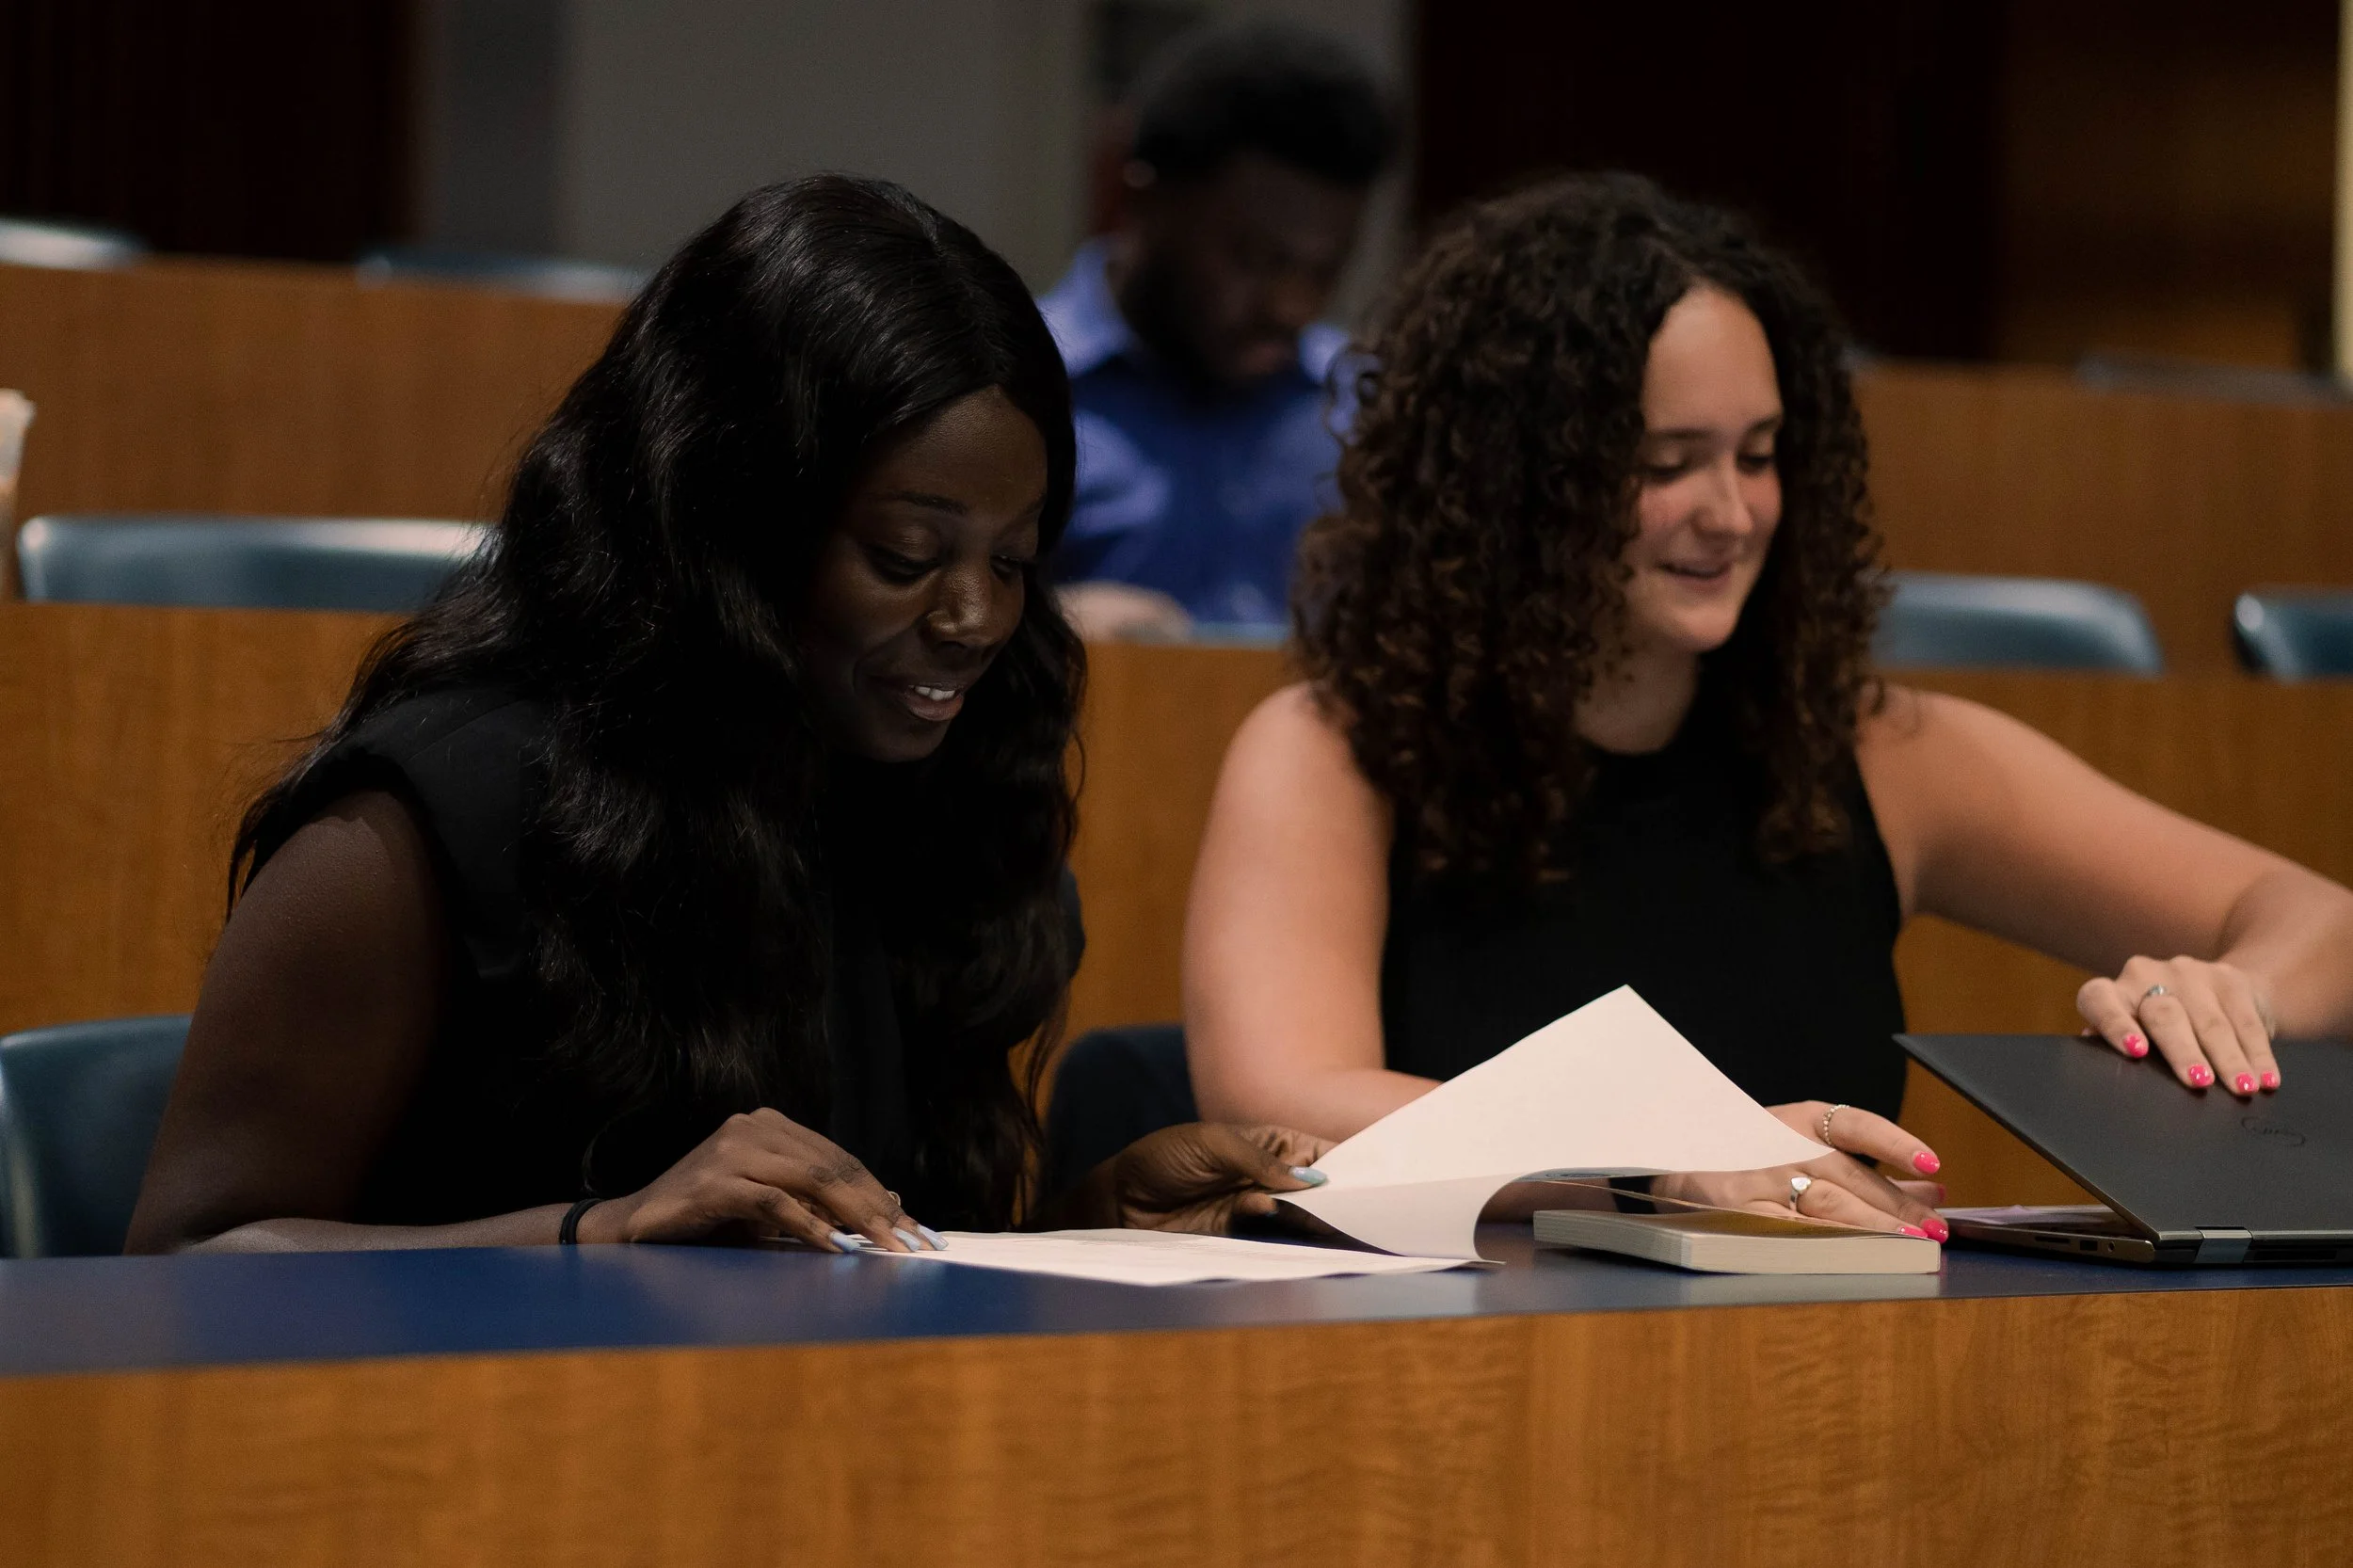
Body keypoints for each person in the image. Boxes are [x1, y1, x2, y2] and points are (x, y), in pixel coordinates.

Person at [125, 176, 1327, 1256]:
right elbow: (186, 1256)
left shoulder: (924, 800)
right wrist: (599, 1230)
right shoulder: (420, 823)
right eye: (905, 554)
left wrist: (1093, 1228)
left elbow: (852, 1265)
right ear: (733, 528)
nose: (972, 617)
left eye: (1011, 562)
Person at [1182, 174, 2353, 1234]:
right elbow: (1280, 1089)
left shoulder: (1880, 748)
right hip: (1476, 1379)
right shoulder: (1332, 747)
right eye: (1664, 462)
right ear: (1511, 486)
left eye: (1758, 453)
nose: (1731, 512)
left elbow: (2317, 921)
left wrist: (2232, 999)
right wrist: (1668, 1159)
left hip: (1824, 1377)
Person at [1041, 20, 1396, 640]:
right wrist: (1034, 626)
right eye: (1256, 260)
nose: (1290, 306)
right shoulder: (1012, 387)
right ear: (1141, 202)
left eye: (1325, 270)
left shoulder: (1366, 407)